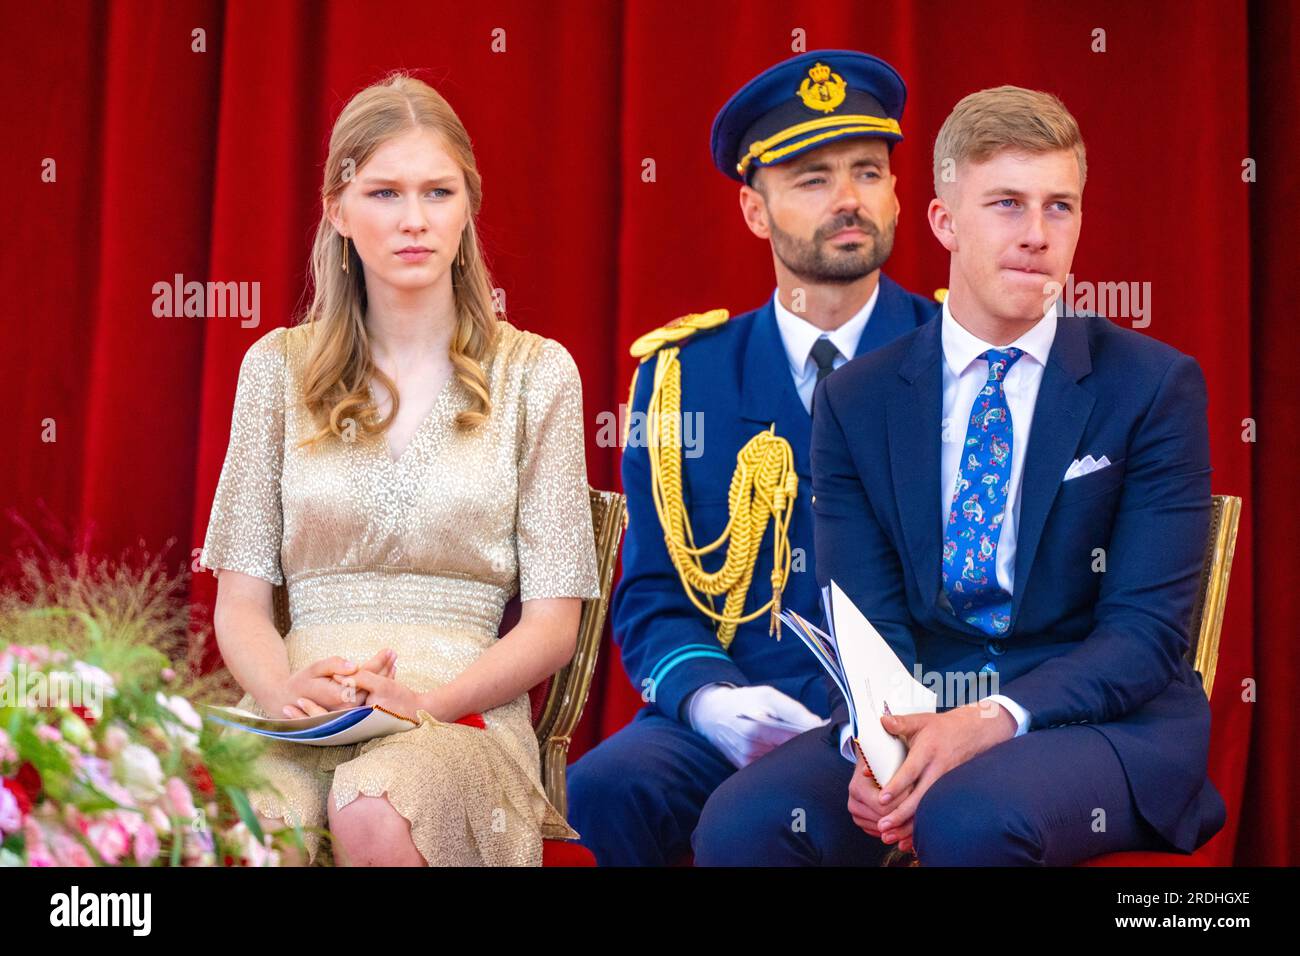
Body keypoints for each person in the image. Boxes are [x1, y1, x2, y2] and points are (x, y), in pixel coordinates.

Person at [693, 85, 1227, 865]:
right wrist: (875, 745)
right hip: (921, 712)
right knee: (743, 824)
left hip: (1101, 723)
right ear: (944, 221)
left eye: (1060, 207)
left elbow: (1144, 636)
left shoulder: (1150, 385)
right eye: (1007, 204)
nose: (1038, 235)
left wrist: (991, 720)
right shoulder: (856, 398)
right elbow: (866, 619)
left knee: (969, 818)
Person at [198, 73, 600, 867]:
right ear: (337, 211)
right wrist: (280, 692)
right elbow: (240, 603)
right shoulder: (274, 370)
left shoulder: (537, 372)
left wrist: (425, 703)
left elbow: (555, 625)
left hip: (460, 716)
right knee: (252, 817)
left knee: (375, 803)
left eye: (438, 192)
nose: (414, 220)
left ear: (467, 208)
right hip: (299, 707)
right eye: (383, 193)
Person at [567, 50, 939, 866]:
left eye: (869, 171)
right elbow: (656, 591)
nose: (849, 199)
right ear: (753, 210)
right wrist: (711, 702)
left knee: (757, 828)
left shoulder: (957, 356)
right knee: (608, 784)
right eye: (812, 179)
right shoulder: (680, 379)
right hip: (748, 704)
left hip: (917, 716)